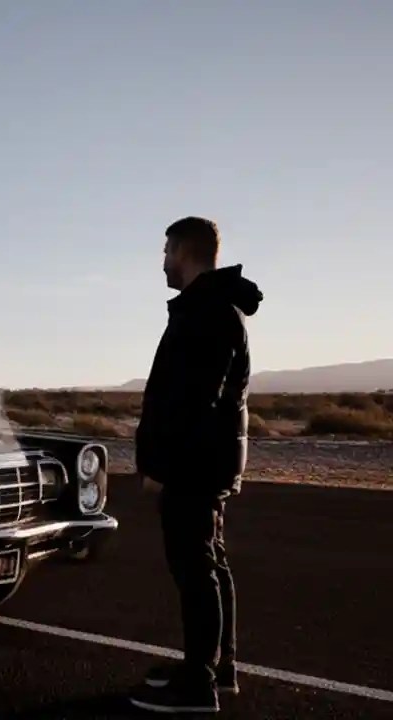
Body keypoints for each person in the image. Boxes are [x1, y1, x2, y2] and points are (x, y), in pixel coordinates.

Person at [129, 217, 263, 714]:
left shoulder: (207, 312)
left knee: (196, 568)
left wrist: (160, 465)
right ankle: (215, 667)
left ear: (184, 250)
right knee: (209, 561)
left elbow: (191, 401)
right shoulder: (208, 308)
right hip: (207, 459)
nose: (163, 260)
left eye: (166, 250)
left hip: (194, 464)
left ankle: (199, 684)